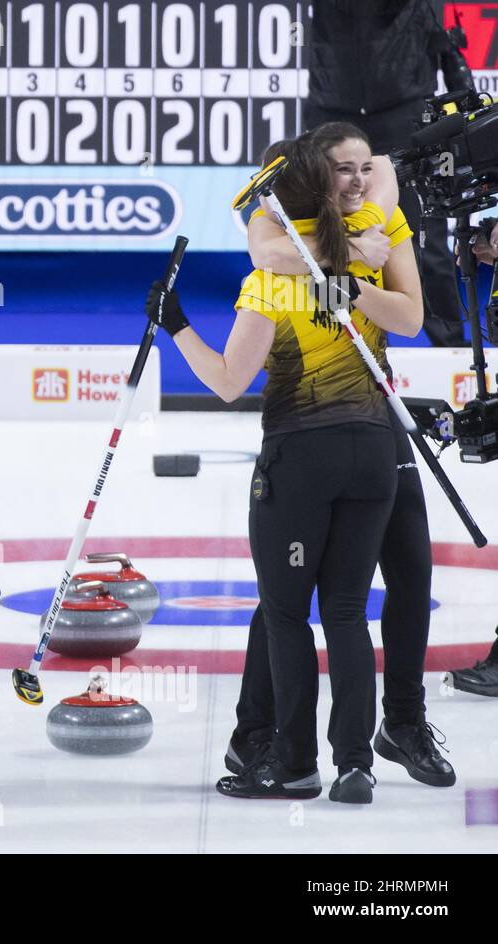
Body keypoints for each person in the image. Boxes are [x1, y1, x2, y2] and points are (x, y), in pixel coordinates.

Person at [150, 129, 423, 803]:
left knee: (283, 613)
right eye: (345, 170)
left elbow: (225, 381)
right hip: (372, 454)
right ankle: (355, 764)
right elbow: (402, 307)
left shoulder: (272, 280)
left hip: (300, 462)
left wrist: (175, 323)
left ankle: (294, 764)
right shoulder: (365, 252)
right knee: (348, 610)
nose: (359, 179)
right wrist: (351, 278)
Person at [237, 124, 456, 788]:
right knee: (288, 591)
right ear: (313, 173)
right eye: (342, 170)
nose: (358, 180)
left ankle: (403, 723)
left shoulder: (382, 220)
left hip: (379, 418)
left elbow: (412, 318)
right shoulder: (279, 226)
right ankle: (258, 733)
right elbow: (264, 246)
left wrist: (355, 282)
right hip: (318, 426)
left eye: (365, 168)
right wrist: (333, 251)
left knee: (411, 568)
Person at [306, 0, 471, 346]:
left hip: (403, 109)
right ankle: (331, 349)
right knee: (325, 231)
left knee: (424, 236)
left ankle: (453, 354)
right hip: (332, 110)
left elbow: (445, 39)